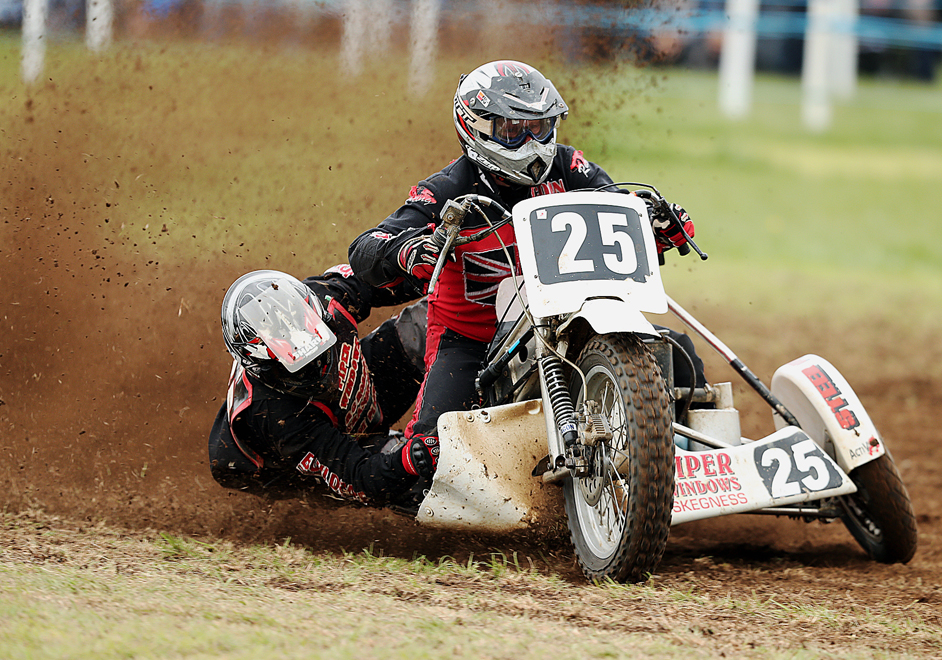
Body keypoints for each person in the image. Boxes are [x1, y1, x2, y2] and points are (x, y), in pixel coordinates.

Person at [347, 60, 701, 476]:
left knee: (680, 356)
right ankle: (369, 468)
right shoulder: (447, 188)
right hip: (473, 340)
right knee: (432, 453)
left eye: (541, 127)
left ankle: (675, 457)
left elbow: (617, 208)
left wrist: (659, 224)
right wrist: (412, 249)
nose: (533, 144)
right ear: (475, 127)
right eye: (514, 130)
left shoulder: (569, 168)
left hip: (571, 319)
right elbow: (366, 247)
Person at [207, 264, 440, 514]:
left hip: (364, 390)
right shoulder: (275, 414)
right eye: (297, 366)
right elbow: (362, 478)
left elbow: (385, 272)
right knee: (413, 478)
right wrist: (408, 460)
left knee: (435, 317)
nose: (316, 368)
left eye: (317, 346)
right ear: (261, 367)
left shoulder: (328, 296)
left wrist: (436, 274)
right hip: (280, 460)